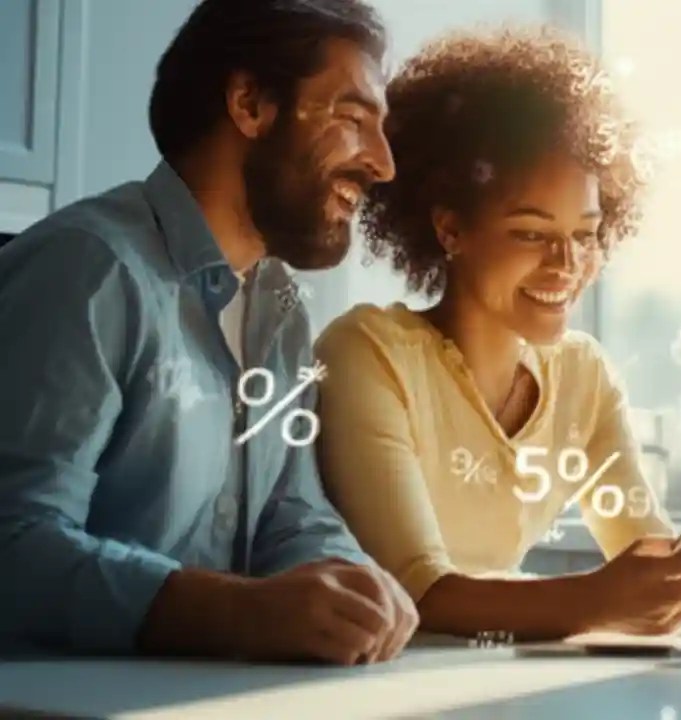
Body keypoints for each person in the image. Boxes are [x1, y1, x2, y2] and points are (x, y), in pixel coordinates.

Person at [315, 26, 681, 641]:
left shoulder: (581, 375)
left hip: (483, 680)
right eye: (530, 233)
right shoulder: (368, 354)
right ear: (450, 230)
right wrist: (600, 600)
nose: (566, 264)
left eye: (585, 234)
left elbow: (655, 568)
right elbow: (421, 593)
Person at [0, 0, 418, 663]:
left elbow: (290, 511)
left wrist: (351, 582)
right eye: (352, 118)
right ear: (250, 104)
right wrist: (238, 612)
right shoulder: (90, 269)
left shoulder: (281, 309)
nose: (384, 163)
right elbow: (15, 544)